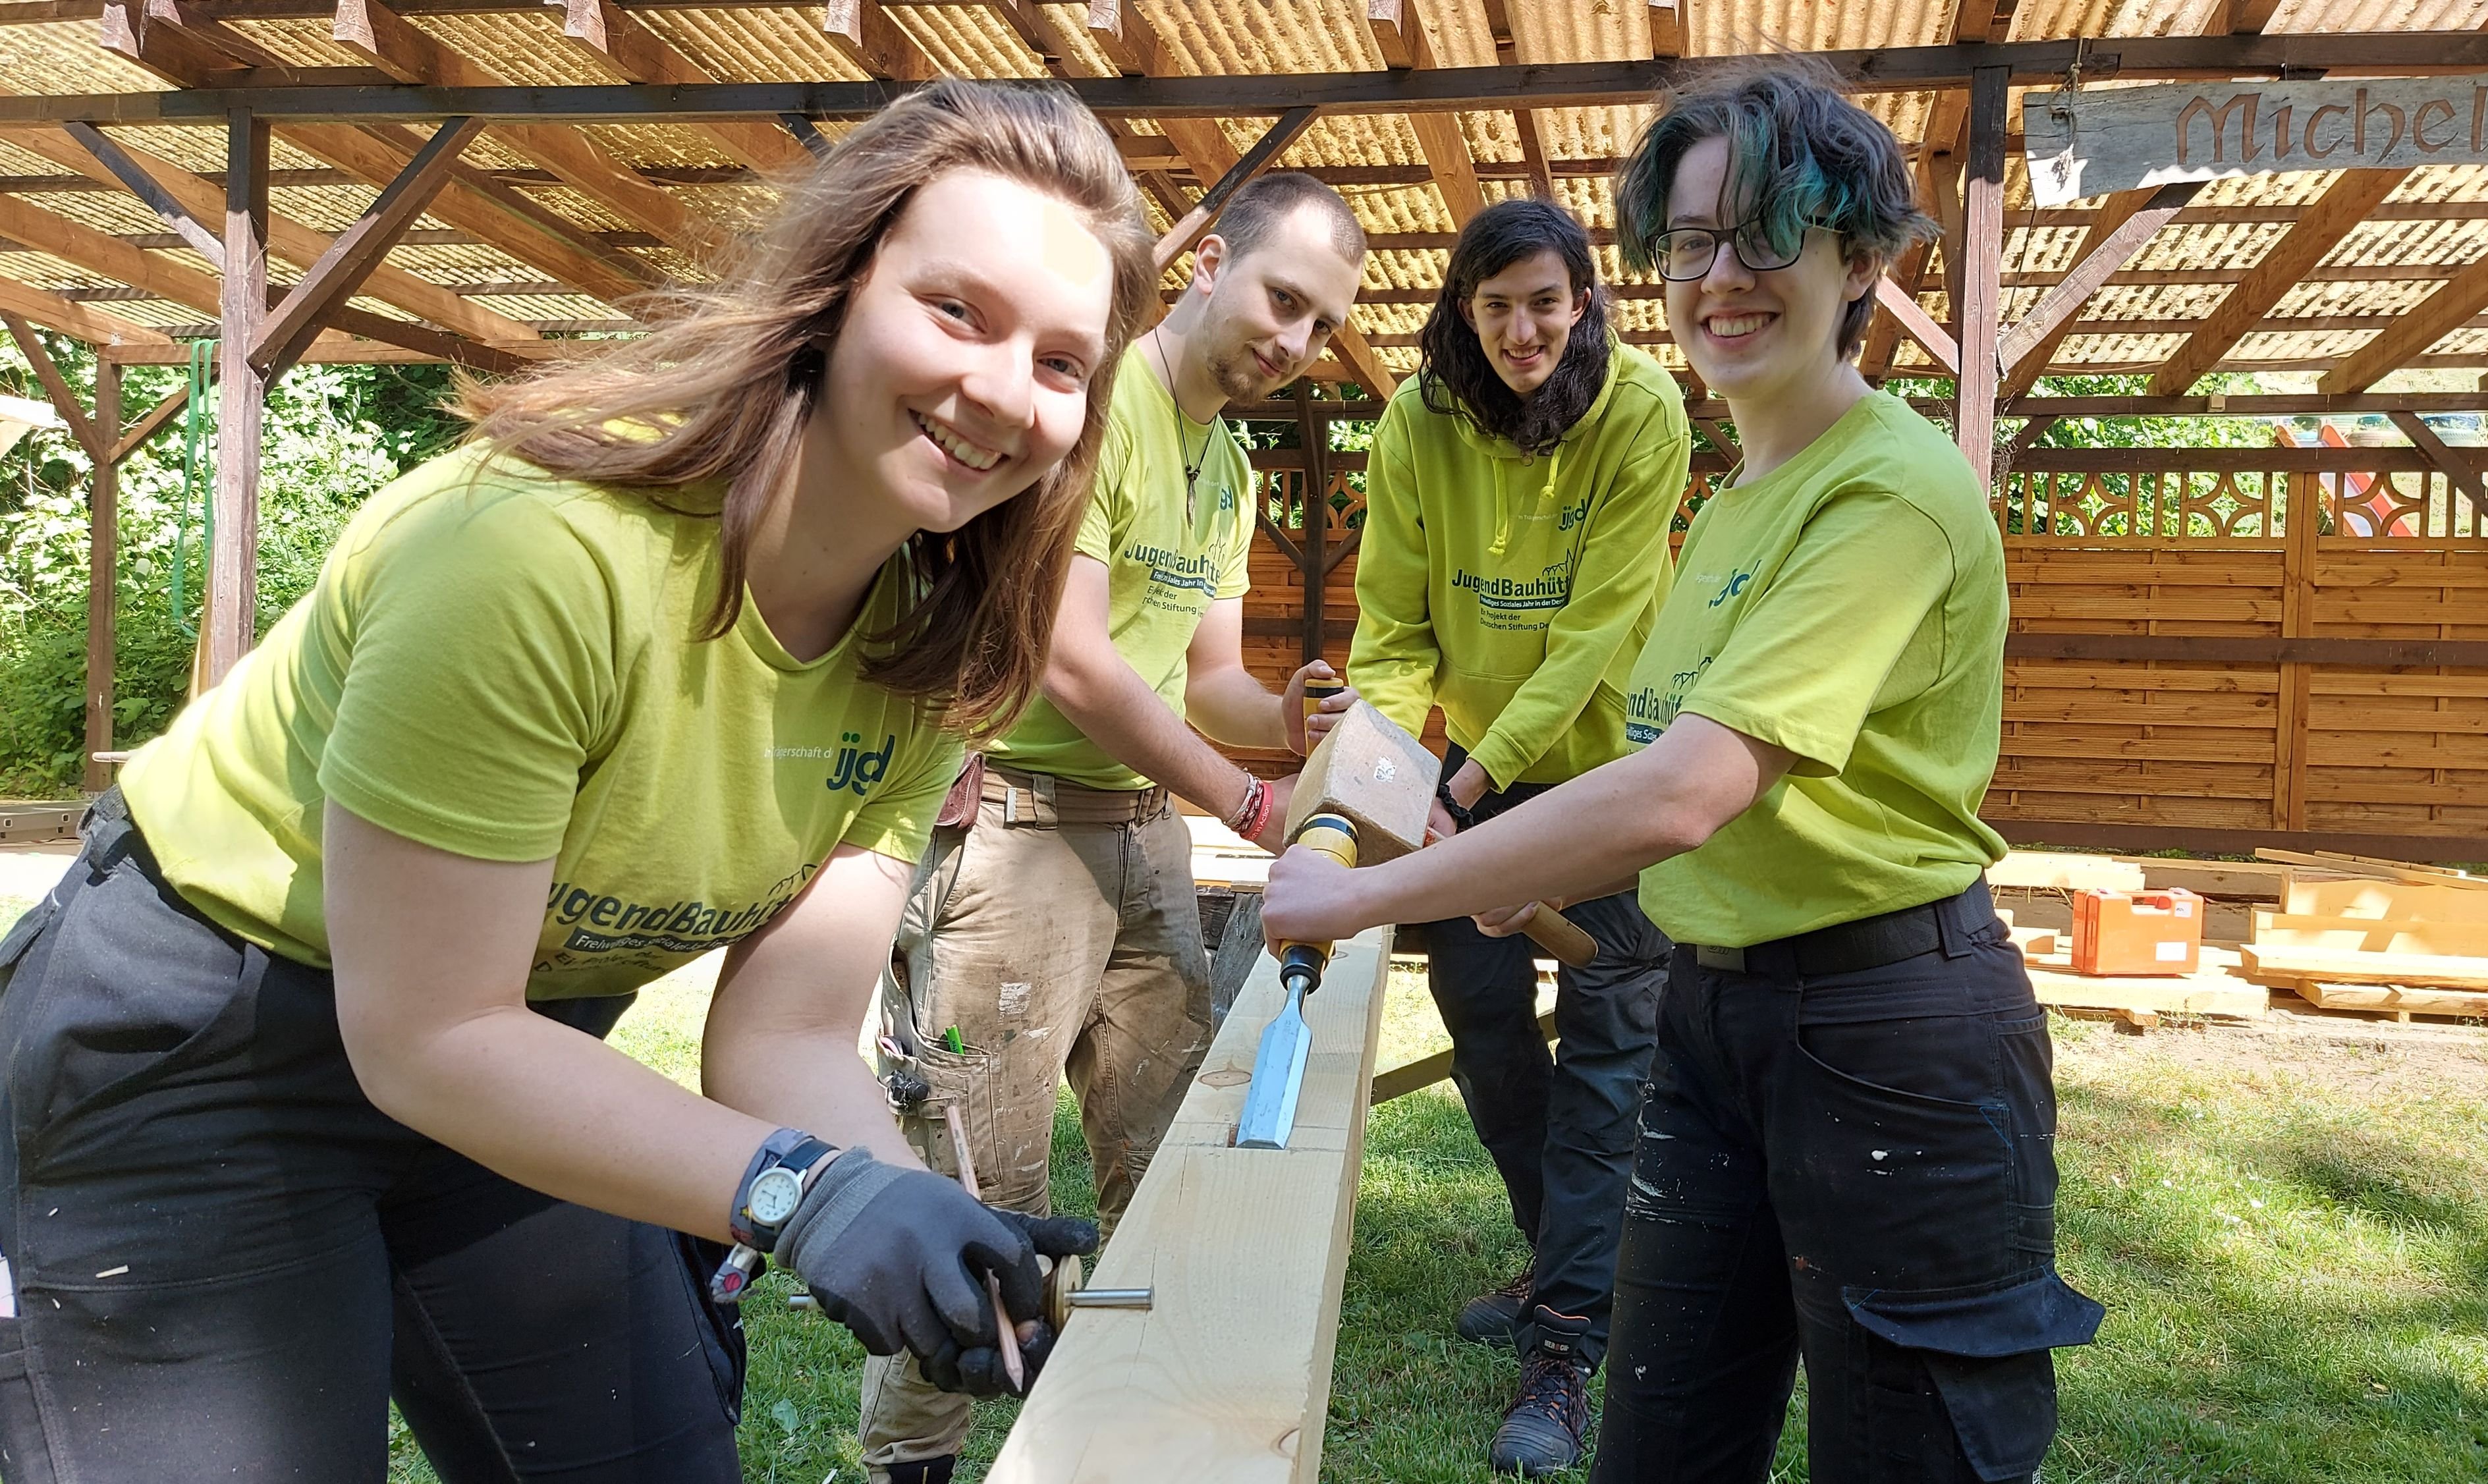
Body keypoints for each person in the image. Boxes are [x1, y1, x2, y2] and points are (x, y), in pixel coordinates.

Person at [0, 80, 1160, 1481]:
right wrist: (797, 1190)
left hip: (516, 1048)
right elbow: (425, 1030)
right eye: (957, 310)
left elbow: (782, 1035)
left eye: (1058, 363)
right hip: (204, 1045)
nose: (998, 390)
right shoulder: (532, 556)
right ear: (835, 292)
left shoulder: (929, 648)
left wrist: (901, 1206)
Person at [1263, 61, 2103, 1484]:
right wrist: (1496, 852)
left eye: (1765, 233)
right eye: (1691, 240)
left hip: (1886, 1034)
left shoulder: (1885, 488)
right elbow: (1649, 781)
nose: (1721, 274)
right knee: (1657, 1447)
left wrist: (1375, 888)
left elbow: (1680, 789)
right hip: (1714, 1020)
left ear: (1859, 255)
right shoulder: (1737, 502)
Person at [856, 170, 1368, 1483]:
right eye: (1281, 298)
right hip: (1017, 835)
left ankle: (1116, 1438)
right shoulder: (1100, 409)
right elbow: (1069, 662)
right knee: (978, 1197)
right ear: (1208, 267)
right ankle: (914, 1463)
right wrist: (1247, 799)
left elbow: (1205, 679)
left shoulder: (1230, 460)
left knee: (1168, 1168)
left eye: (1320, 323)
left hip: (1138, 838)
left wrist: (1288, 715)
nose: (1293, 340)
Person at [1348, 197, 1687, 1475]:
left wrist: (1466, 774)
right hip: (1475, 773)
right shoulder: (1414, 419)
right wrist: (1384, 782)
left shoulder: (1640, 409)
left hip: (1615, 770)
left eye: (1542, 300)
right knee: (1479, 1010)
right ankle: (1567, 1266)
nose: (1519, 328)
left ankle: (1562, 1343)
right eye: (1493, 305)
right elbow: (1389, 625)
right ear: (1461, 308)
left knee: (1610, 1052)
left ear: (1582, 298)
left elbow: (1595, 628)